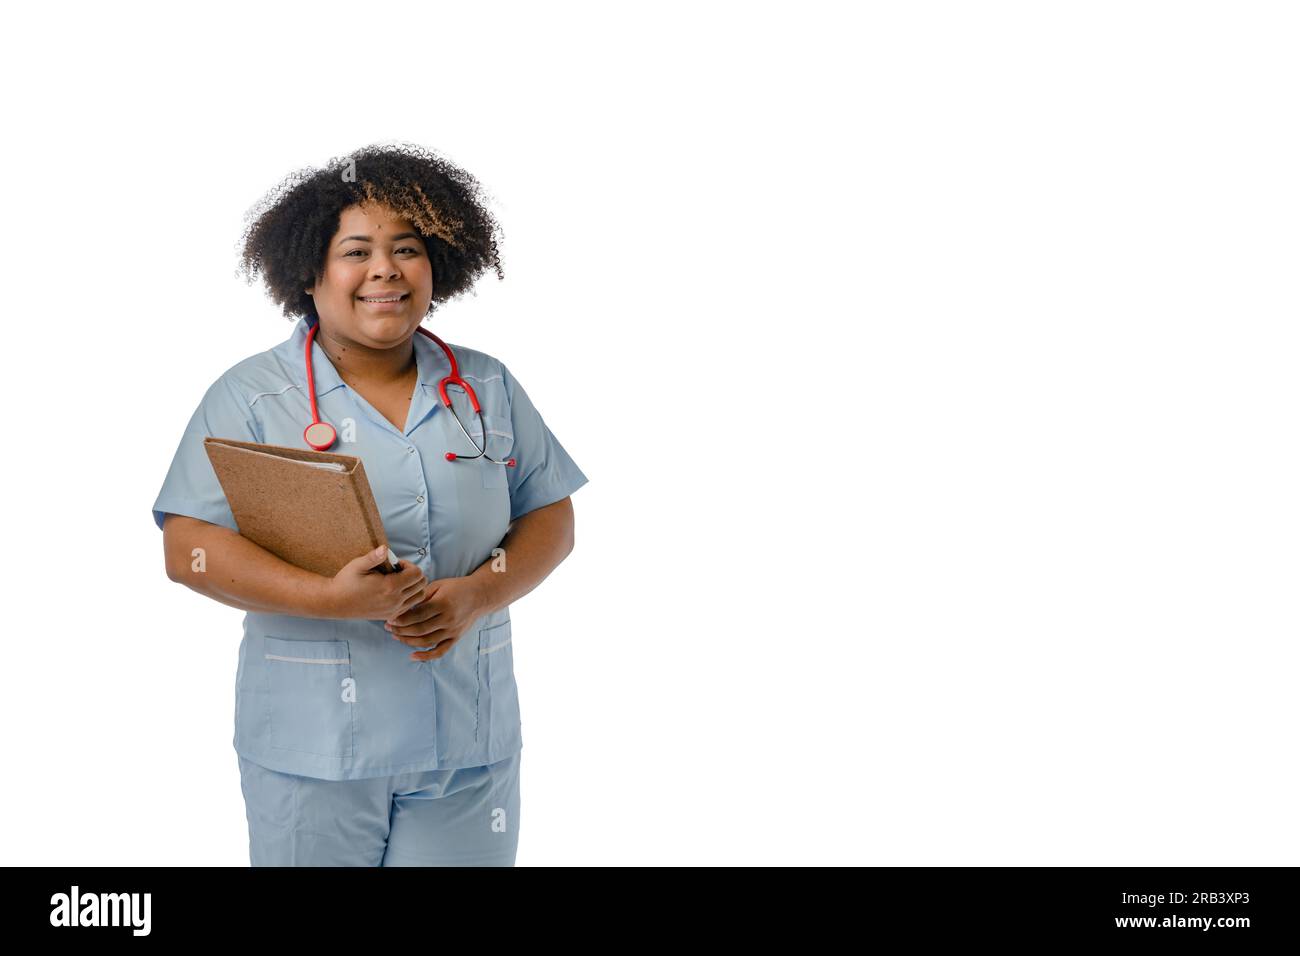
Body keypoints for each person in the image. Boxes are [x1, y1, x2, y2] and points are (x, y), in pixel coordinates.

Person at [152, 144, 588, 866]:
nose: (384, 269)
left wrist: (477, 595)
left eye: (407, 249)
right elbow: (188, 548)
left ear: (437, 266)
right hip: (312, 749)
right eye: (356, 250)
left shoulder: (486, 385)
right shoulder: (251, 397)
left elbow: (551, 515)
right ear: (310, 272)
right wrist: (329, 599)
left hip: (467, 744)